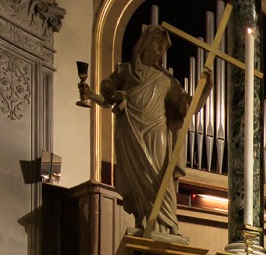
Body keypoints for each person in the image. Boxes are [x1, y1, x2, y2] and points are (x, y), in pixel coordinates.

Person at [82, 23, 194, 238]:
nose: (160, 51)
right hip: (131, 129)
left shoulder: (168, 80)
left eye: (163, 48)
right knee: (138, 179)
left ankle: (168, 224)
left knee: (160, 178)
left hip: (157, 131)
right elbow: (107, 98)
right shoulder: (126, 71)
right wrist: (91, 94)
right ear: (144, 44)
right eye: (157, 45)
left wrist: (205, 90)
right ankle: (144, 222)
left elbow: (185, 108)